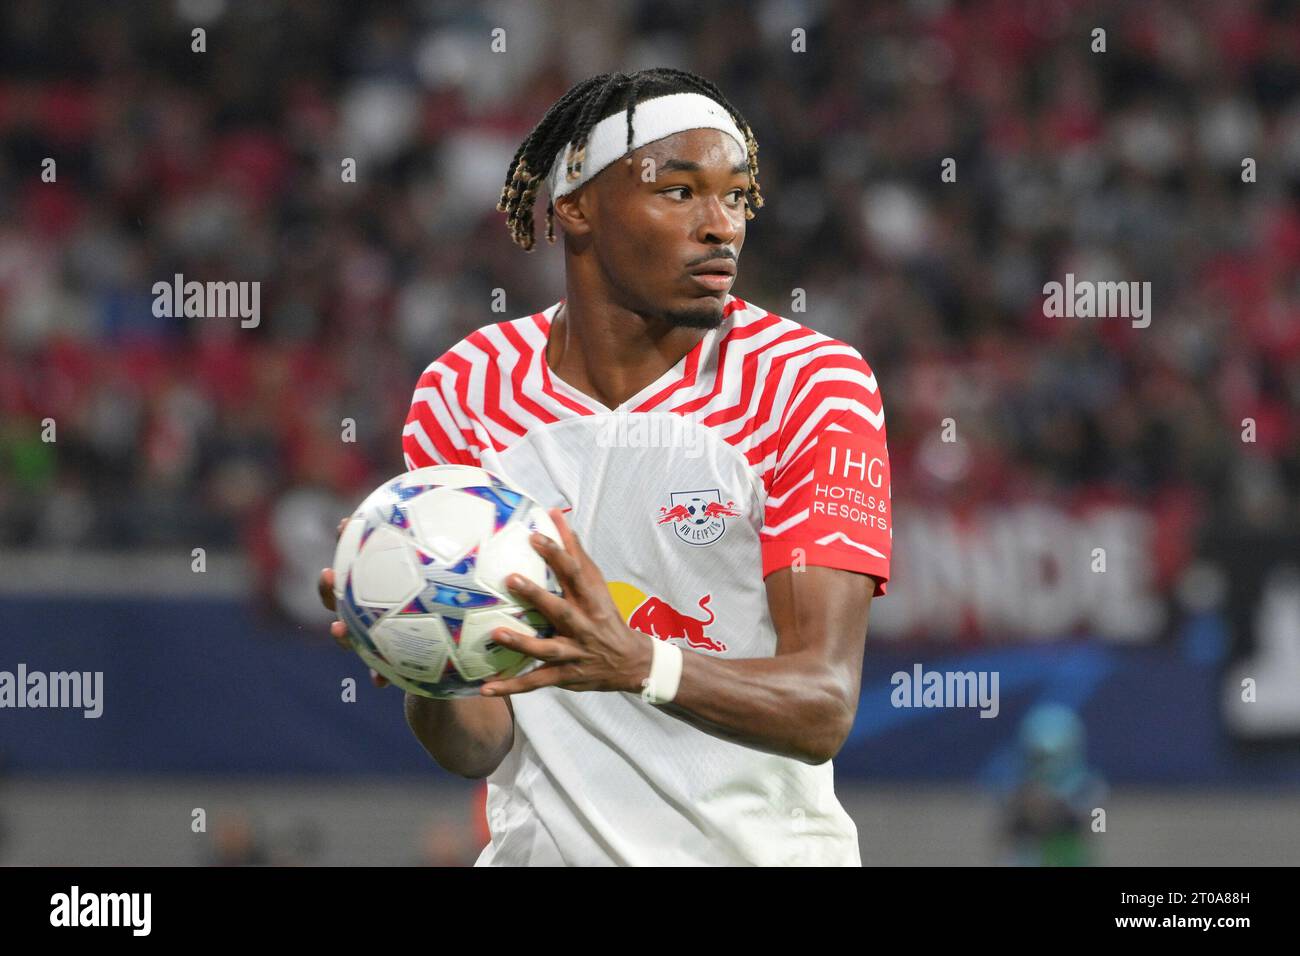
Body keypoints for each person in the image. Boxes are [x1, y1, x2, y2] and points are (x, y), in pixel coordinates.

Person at [318, 68, 893, 865]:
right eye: (681, 192)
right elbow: (478, 745)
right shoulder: (466, 388)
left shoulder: (807, 382)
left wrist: (638, 663)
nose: (721, 225)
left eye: (736, 196)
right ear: (576, 206)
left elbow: (821, 705)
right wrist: (416, 645)